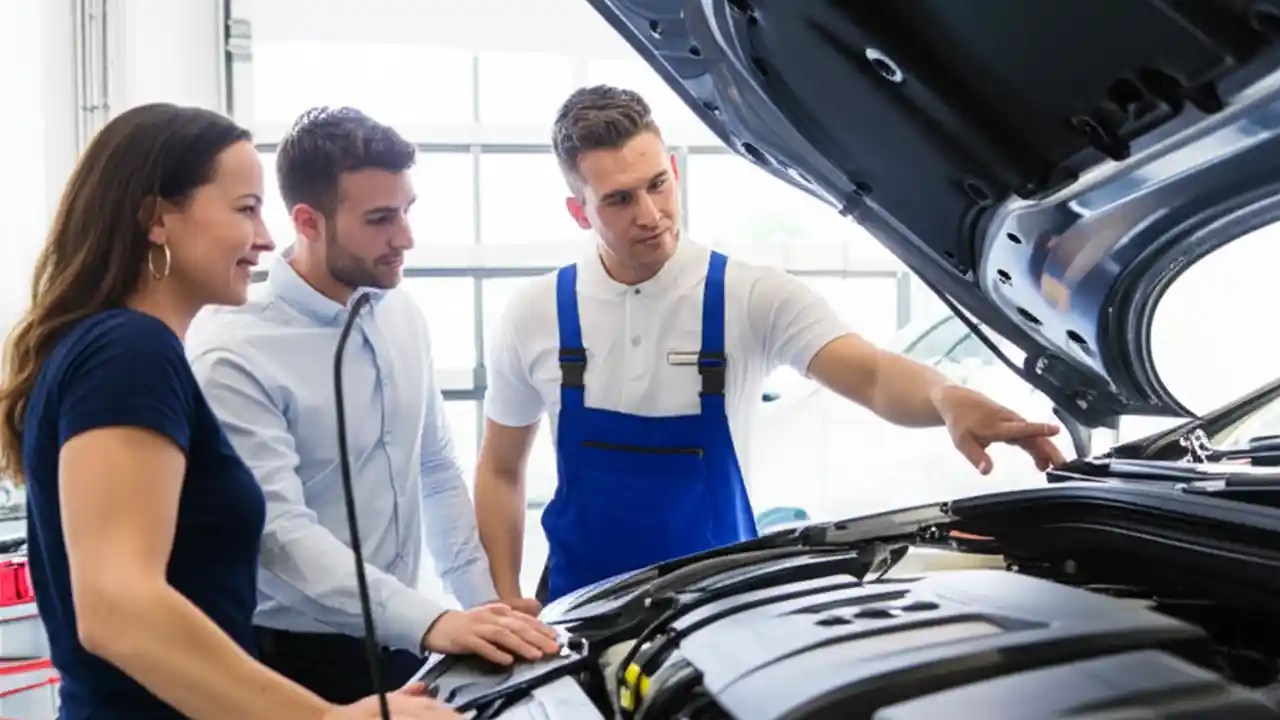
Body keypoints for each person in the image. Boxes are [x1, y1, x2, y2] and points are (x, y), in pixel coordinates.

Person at [474, 85, 1068, 607]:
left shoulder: (750, 296)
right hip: (580, 609)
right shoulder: (535, 313)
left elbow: (872, 374)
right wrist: (504, 598)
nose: (651, 214)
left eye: (657, 185)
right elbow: (501, 470)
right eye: (620, 199)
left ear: (675, 171)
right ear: (580, 212)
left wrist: (945, 396)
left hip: (716, 610)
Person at [0, 103, 457, 718]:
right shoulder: (128, 352)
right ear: (157, 220)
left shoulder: (111, 348)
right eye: (246, 209)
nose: (266, 239)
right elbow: (117, 610)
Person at [185, 106, 559, 705]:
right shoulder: (233, 352)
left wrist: (483, 603)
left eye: (407, 210)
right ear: (309, 221)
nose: (405, 237)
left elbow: (434, 472)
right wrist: (432, 621)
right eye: (381, 219)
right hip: (289, 659)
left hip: (404, 644)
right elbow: (279, 532)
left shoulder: (401, 314)